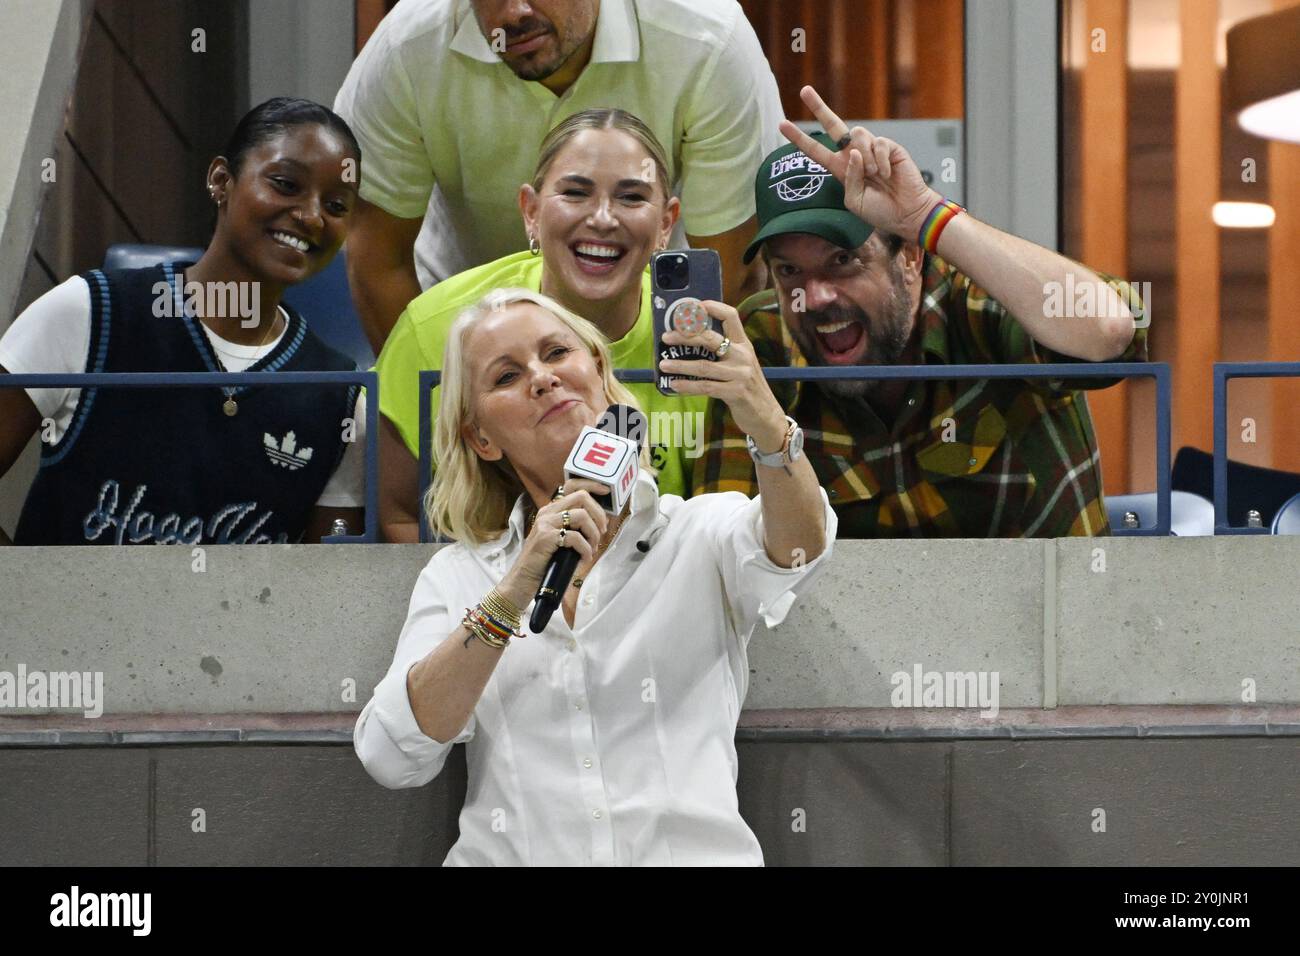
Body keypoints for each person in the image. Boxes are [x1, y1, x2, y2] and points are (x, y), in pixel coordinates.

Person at [355, 287, 835, 865]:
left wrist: (764, 417)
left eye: (557, 353)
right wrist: (514, 590)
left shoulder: (698, 533)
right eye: (506, 376)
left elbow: (802, 548)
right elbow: (390, 755)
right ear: (481, 438)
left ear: (600, 377)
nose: (541, 378)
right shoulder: (460, 575)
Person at [693, 86, 1151, 537]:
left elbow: (1111, 332)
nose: (815, 298)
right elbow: (720, 541)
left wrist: (927, 215)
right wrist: (772, 435)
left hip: (1046, 609)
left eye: (842, 260)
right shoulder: (762, 341)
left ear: (910, 258)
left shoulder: (981, 307)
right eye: (789, 270)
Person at [0, 98, 367, 546]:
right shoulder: (88, 312)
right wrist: (24, 596)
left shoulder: (342, 395)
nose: (312, 216)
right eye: (286, 184)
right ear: (220, 180)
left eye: (336, 205)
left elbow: (329, 585)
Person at [332, 0, 784, 350]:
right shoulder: (406, 49)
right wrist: (444, 416)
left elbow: (728, 271)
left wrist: (670, 396)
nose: (512, 13)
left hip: (656, 324)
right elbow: (377, 260)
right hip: (463, 322)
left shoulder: (708, 38)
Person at [375, 108, 706, 542]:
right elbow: (398, 513)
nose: (603, 218)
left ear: (666, 222)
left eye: (631, 197)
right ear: (530, 211)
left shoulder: (701, 341)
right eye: (575, 192)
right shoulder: (433, 328)